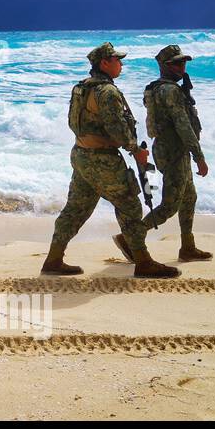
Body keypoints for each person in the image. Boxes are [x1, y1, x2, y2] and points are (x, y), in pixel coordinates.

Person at [44, 42, 180, 278]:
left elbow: (73, 123)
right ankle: (143, 261)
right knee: (130, 206)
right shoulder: (107, 92)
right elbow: (115, 127)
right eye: (117, 60)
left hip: (81, 155)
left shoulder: (81, 88)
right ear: (104, 63)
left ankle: (54, 259)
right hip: (102, 160)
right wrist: (134, 149)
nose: (121, 64)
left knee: (75, 210)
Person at [114, 44, 212, 262]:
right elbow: (183, 125)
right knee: (170, 205)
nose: (182, 67)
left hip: (172, 149)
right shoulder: (169, 91)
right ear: (165, 66)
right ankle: (129, 236)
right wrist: (200, 157)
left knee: (189, 197)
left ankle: (188, 246)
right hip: (173, 151)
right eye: (177, 63)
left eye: (183, 62)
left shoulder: (159, 88)